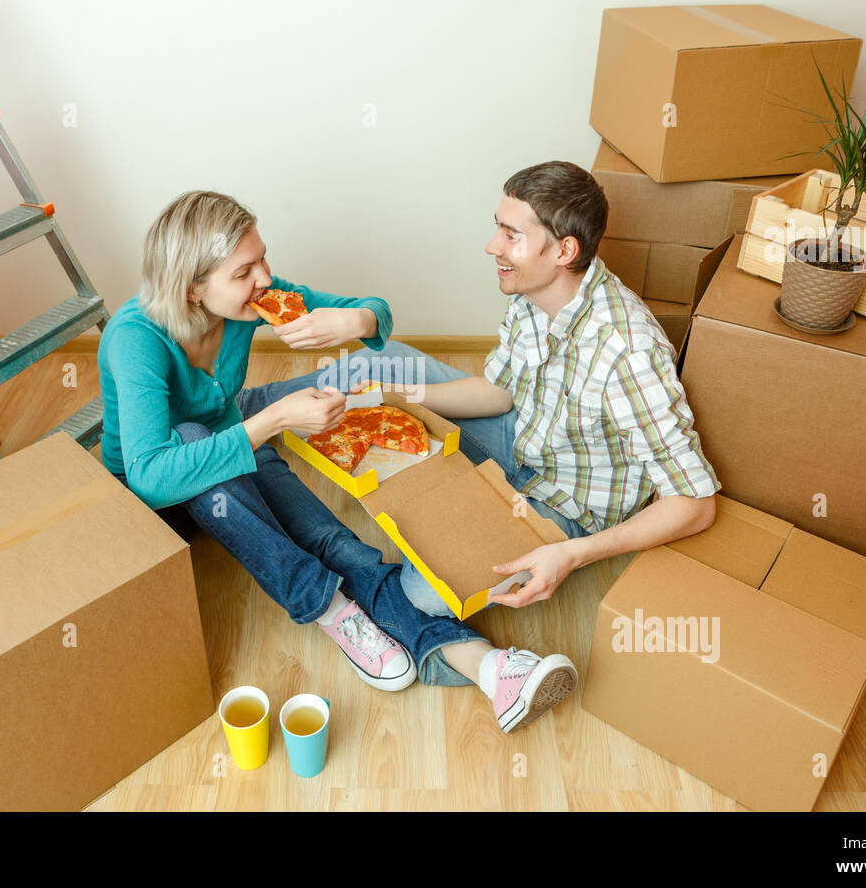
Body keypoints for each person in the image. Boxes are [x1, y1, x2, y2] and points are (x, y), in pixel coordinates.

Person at [96, 190, 578, 732]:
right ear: (192, 288)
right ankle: (327, 608)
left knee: (331, 539)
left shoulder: (248, 302)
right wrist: (274, 421)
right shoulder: (136, 338)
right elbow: (150, 476)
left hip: (234, 443)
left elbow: (376, 312)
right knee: (192, 437)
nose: (265, 278)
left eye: (262, 259)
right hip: (161, 497)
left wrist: (359, 323)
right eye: (244, 272)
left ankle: (487, 667)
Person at [251, 161, 720, 617]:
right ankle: (241, 417)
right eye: (498, 227)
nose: (492, 246)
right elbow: (499, 394)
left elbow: (695, 504)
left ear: (564, 251)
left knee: (426, 593)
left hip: (566, 502)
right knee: (381, 361)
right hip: (519, 435)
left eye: (512, 236)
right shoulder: (532, 293)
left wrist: (572, 554)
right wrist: (394, 394)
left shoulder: (628, 352)